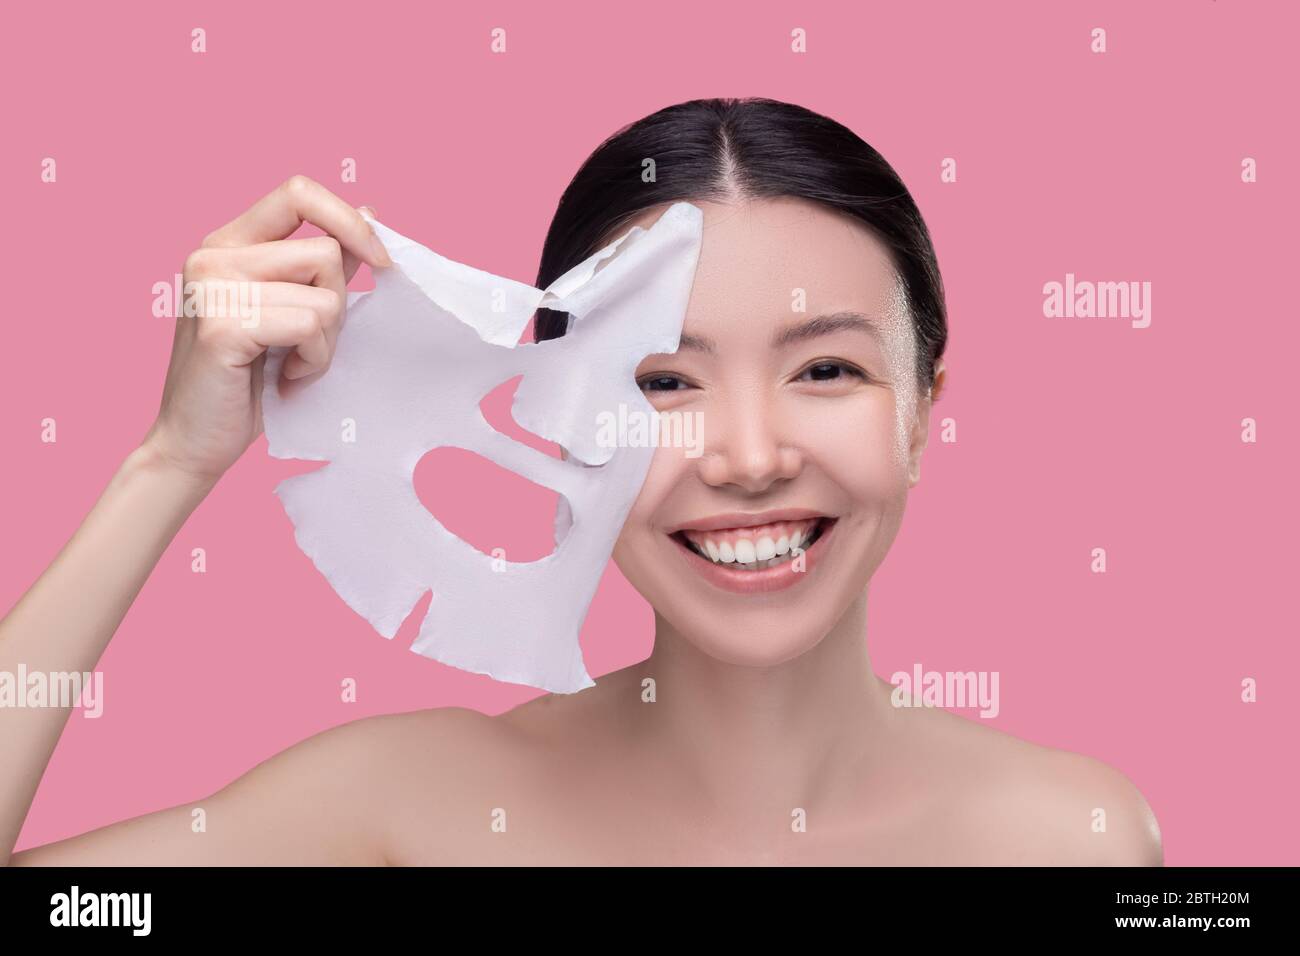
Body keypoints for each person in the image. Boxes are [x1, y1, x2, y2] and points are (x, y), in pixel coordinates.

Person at [1, 97, 1162, 866]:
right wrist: (168, 460)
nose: (749, 458)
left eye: (825, 367)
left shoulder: (1074, 838)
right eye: (662, 380)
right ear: (560, 419)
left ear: (920, 413)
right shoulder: (406, 809)